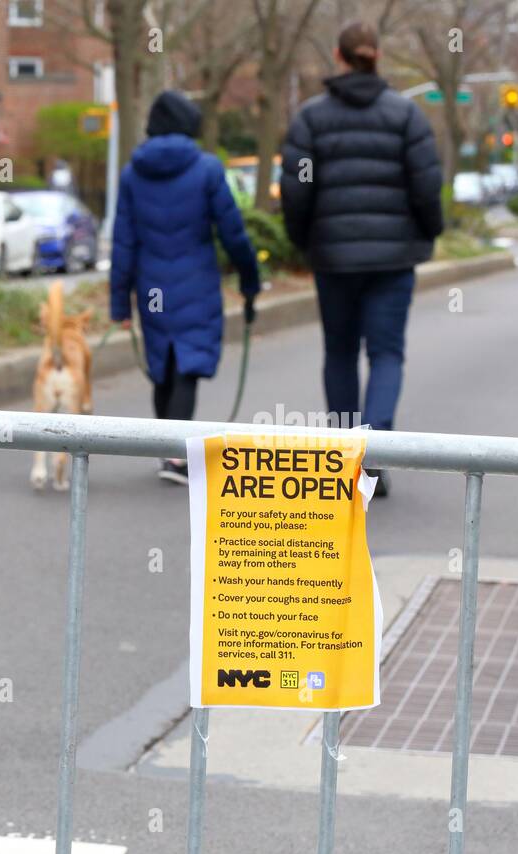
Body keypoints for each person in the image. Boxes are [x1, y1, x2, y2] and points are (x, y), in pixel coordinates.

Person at [280, 20, 444, 498]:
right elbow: (426, 184)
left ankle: (344, 459)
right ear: (377, 56)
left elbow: (297, 188)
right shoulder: (406, 116)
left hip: (332, 256)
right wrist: (428, 230)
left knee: (339, 351)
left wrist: (303, 239)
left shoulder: (311, 118)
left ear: (338, 55)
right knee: (387, 352)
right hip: (393, 258)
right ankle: (373, 452)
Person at [110, 91, 261, 486]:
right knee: (187, 367)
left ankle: (169, 448)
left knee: (163, 366)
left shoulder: (132, 173)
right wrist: (249, 280)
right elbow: (233, 232)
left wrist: (119, 305)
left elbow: (122, 241)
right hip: (196, 281)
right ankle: (177, 457)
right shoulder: (207, 170)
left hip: (151, 286)